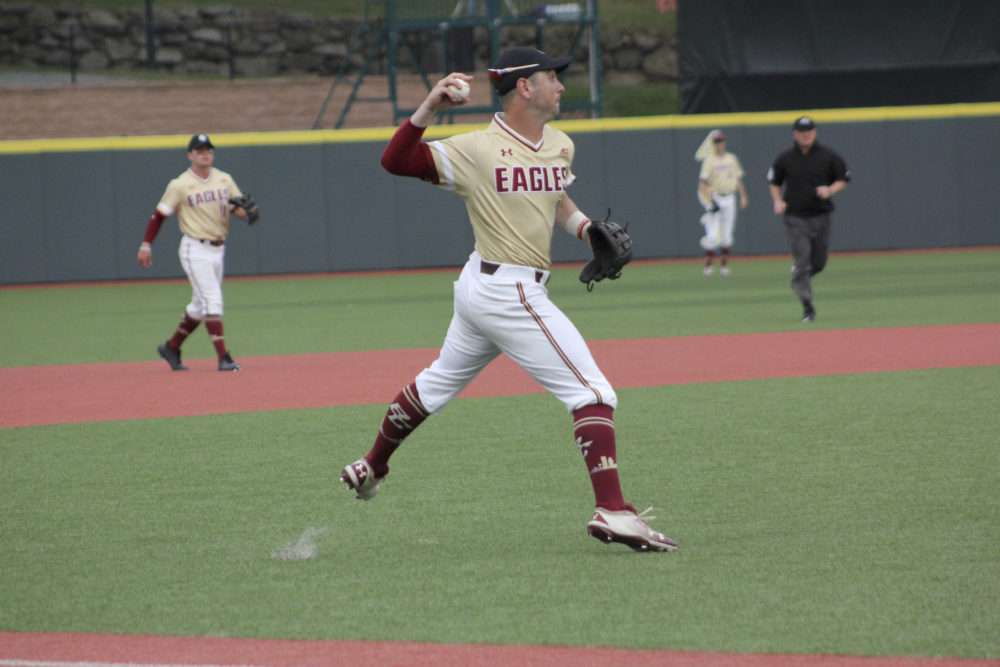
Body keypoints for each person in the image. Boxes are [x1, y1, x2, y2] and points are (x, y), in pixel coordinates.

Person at [339, 47, 677, 553]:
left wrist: (585, 229)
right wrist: (429, 107)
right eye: (552, 77)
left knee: (436, 383)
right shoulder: (478, 147)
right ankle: (612, 510)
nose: (561, 86)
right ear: (525, 87)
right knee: (593, 392)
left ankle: (372, 465)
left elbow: (555, 198)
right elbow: (396, 161)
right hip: (505, 288)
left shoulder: (560, 145)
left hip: (483, 288)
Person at [137, 133, 254, 371]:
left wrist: (249, 213)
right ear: (190, 155)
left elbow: (236, 209)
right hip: (195, 249)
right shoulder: (180, 184)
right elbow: (159, 215)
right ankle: (223, 357)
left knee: (199, 308)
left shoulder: (224, 179)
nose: (205, 154)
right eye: (200, 151)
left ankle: (171, 347)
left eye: (209, 150)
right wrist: (146, 244)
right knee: (213, 300)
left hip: (218, 248)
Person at [767, 117, 850, 322]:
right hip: (795, 218)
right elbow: (774, 181)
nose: (806, 134)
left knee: (819, 262)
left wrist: (830, 189)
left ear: (815, 132)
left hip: (821, 216)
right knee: (803, 260)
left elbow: (844, 178)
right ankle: (808, 307)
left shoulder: (828, 156)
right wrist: (778, 201)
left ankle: (799, 276)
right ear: (795, 134)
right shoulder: (785, 158)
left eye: (809, 130)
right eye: (801, 131)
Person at [697, 130, 747, 276]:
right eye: (717, 142)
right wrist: (710, 199)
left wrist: (743, 197)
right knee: (712, 235)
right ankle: (708, 267)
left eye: (721, 141)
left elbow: (738, 180)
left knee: (727, 235)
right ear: (714, 145)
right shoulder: (709, 160)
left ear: (724, 143)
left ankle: (724, 266)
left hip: (730, 197)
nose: (720, 144)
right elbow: (702, 183)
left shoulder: (732, 158)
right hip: (716, 197)